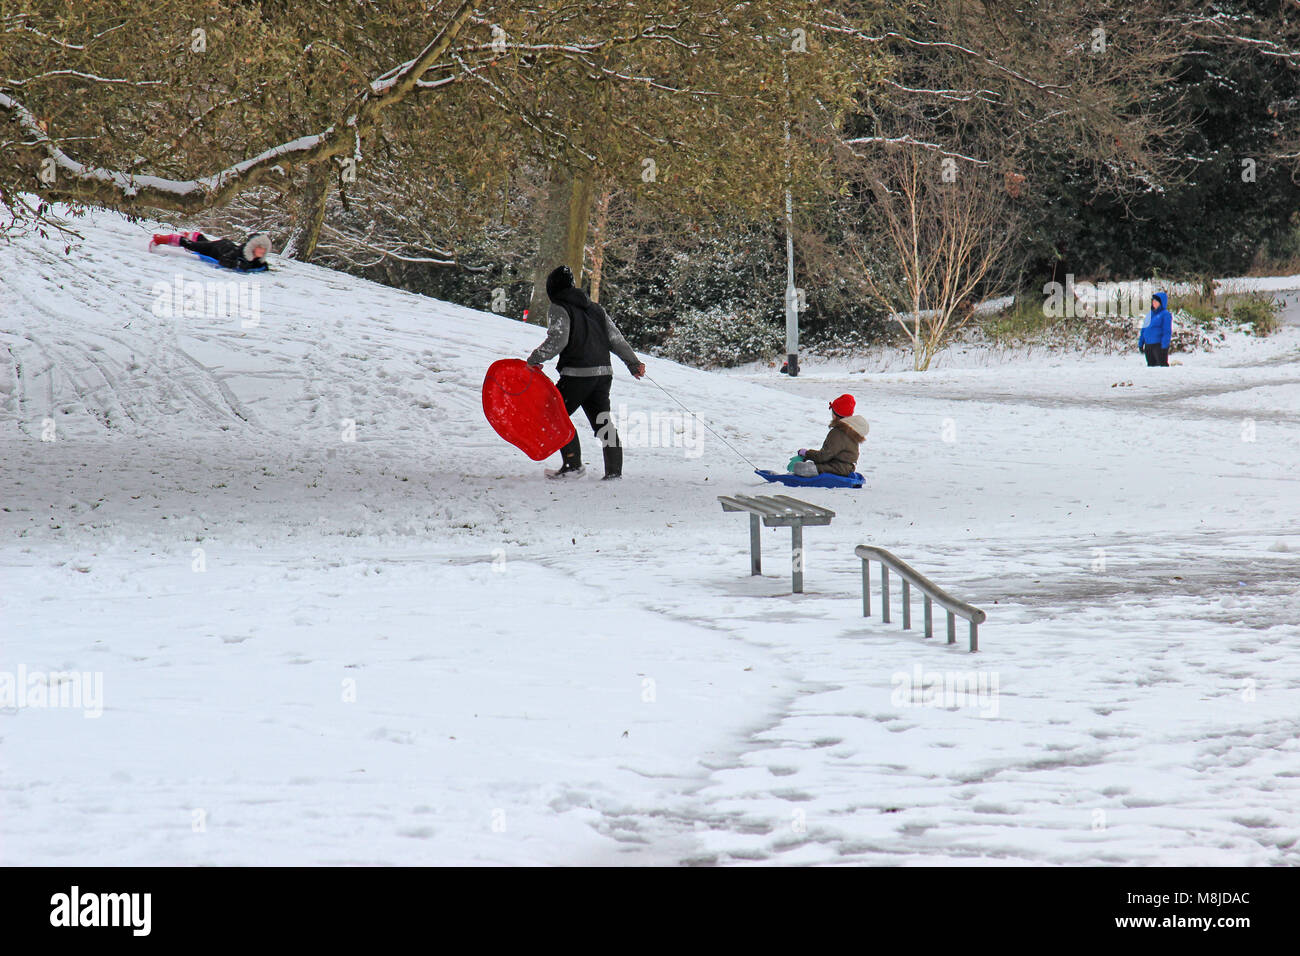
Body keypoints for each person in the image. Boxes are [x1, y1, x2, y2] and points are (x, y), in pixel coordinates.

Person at [527, 265, 645, 479]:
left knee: (554, 415)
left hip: (577, 374)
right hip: (603, 374)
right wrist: (633, 363)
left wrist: (534, 360)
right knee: (603, 421)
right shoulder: (596, 309)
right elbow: (615, 339)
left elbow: (559, 339)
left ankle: (573, 466)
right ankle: (614, 472)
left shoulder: (559, 307)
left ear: (552, 288)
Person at [791, 393, 868, 477]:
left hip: (837, 468)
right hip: (845, 468)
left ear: (835, 415)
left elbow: (824, 456)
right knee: (809, 465)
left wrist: (806, 453)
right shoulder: (851, 430)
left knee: (799, 467)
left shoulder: (838, 433)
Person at [150, 230, 272, 272]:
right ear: (253, 248)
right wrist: (237, 264)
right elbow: (224, 260)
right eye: (260, 248)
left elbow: (262, 265)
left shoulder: (257, 259)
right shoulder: (238, 253)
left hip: (225, 244)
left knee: (204, 242)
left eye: (264, 250)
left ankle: (194, 235)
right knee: (192, 246)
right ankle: (162, 239)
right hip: (218, 248)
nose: (262, 251)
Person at [1138, 291, 1172, 366]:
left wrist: (1164, 346)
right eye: (1153, 301)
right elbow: (1144, 330)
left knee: (1162, 367)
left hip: (1158, 345)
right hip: (1148, 345)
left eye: (1156, 301)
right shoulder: (1150, 314)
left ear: (1161, 302)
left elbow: (1167, 332)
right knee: (1151, 367)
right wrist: (1141, 343)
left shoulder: (1165, 314)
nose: (1153, 302)